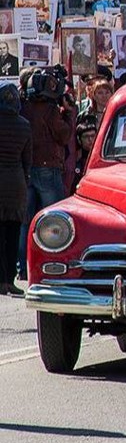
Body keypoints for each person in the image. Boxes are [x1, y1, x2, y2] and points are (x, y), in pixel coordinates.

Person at [19, 69, 72, 279]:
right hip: (48, 168)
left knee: (25, 222)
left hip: (26, 168)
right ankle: (54, 266)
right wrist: (68, 113)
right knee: (54, 219)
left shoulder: (22, 107)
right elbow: (64, 135)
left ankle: (24, 270)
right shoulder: (50, 110)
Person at [0, 83, 30, 294]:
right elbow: (27, 161)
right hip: (16, 183)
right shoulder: (24, 125)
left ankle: (0, 280)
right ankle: (10, 280)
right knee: (13, 233)